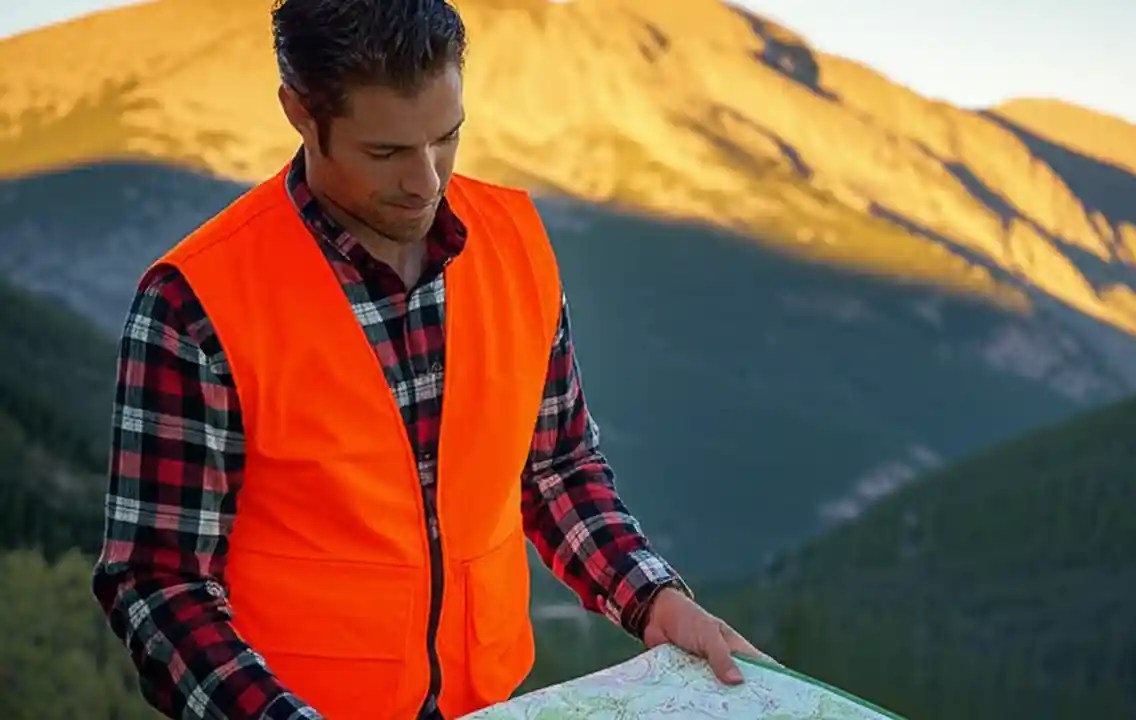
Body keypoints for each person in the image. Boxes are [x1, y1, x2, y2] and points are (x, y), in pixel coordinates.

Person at [90, 0, 765, 718]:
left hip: (489, 705)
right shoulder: (195, 304)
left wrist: (654, 600)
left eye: (447, 137)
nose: (427, 180)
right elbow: (158, 586)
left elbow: (556, 467)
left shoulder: (515, 243)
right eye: (385, 153)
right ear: (299, 110)